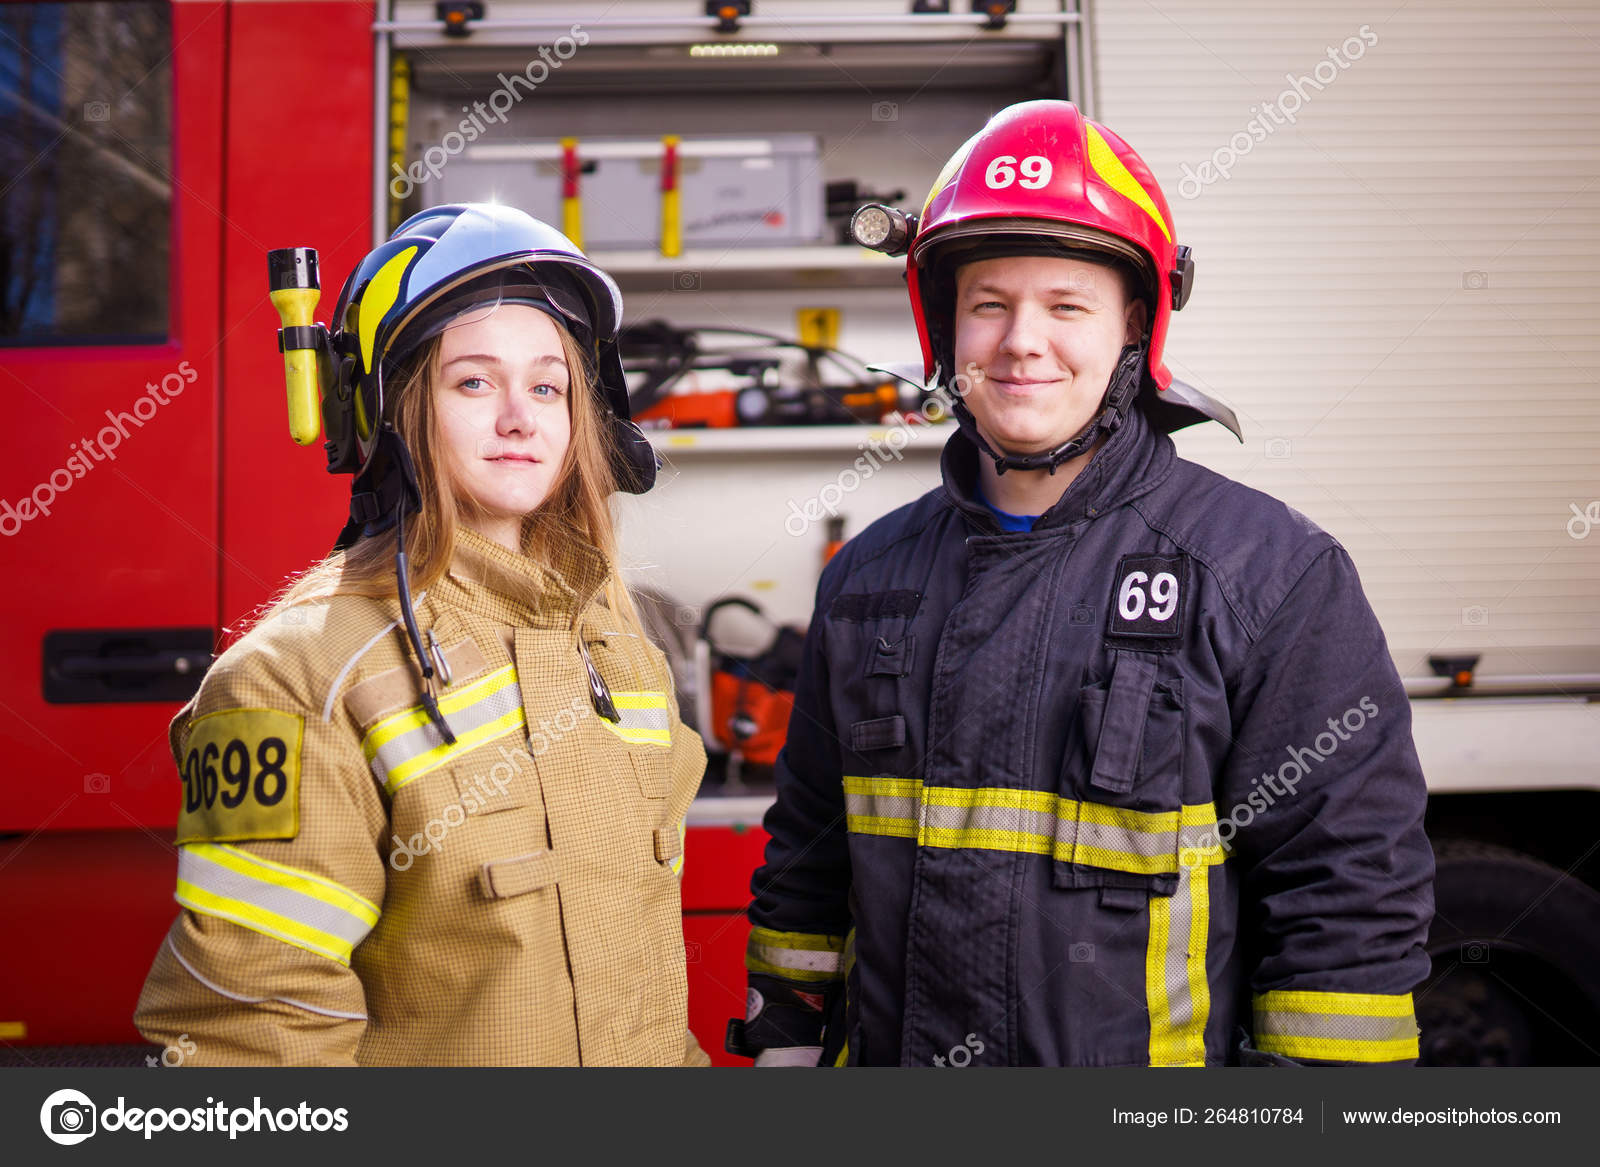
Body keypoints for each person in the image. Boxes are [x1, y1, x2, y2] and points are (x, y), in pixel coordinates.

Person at [729, 101, 1434, 1067]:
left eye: (1067, 305)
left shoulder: (1268, 575)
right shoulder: (866, 581)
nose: (1023, 342)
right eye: (989, 303)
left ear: (1134, 325)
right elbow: (810, 854)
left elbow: (1346, 899)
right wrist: (784, 1043)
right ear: (944, 327)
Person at [134, 203, 709, 1066]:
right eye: (473, 382)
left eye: (548, 385)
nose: (521, 417)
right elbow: (249, 1038)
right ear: (394, 410)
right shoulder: (295, 677)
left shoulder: (621, 648)